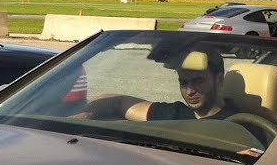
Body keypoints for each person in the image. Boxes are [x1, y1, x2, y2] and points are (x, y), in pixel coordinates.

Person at [78, 48, 238, 121]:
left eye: (198, 81)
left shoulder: (241, 123)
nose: (189, 91)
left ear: (219, 80)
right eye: (183, 82)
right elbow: (117, 100)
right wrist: (83, 116)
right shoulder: (172, 113)